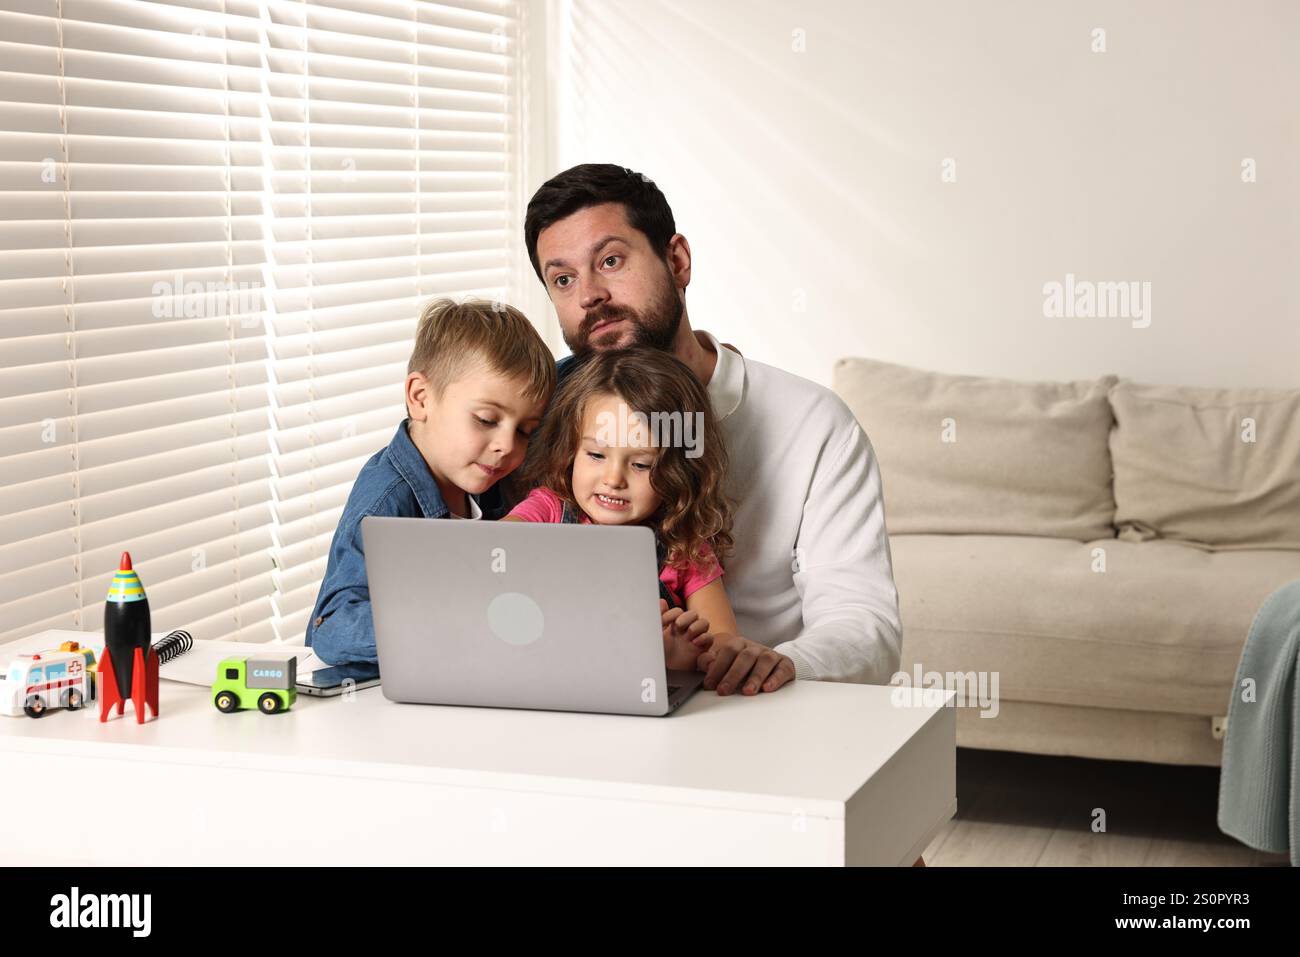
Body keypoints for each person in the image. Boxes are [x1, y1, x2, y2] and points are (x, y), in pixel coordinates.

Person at [523, 163, 904, 697]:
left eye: (611, 260)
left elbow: (865, 627)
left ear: (677, 260)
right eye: (563, 279)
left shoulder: (814, 423)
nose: (589, 295)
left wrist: (766, 663)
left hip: (755, 709)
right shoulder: (542, 413)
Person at [305, 298, 556, 665]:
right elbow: (332, 628)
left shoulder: (484, 478)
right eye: (486, 420)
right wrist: (450, 620)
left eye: (525, 431)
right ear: (420, 398)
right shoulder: (385, 501)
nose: (506, 446)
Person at [501, 346, 737, 671]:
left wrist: (684, 655)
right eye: (596, 456)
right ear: (570, 449)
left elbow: (725, 643)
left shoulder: (685, 548)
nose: (613, 479)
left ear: (677, 471)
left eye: (641, 464)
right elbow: (492, 552)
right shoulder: (549, 509)